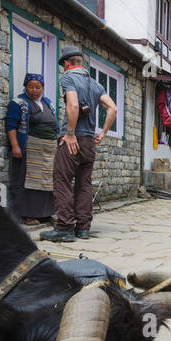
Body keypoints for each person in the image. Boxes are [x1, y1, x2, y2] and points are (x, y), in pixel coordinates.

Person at [41, 48, 117, 243]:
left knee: (62, 181)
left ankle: (65, 227)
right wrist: (103, 133)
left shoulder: (68, 79)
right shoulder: (95, 84)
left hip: (73, 141)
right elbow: (113, 108)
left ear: (66, 64)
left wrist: (70, 134)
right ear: (80, 63)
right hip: (89, 142)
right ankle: (83, 228)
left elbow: (73, 105)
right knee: (84, 184)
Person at [4, 73, 56, 225]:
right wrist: (15, 145)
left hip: (48, 149)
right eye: (31, 87)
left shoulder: (48, 103)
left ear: (42, 88)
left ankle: (45, 214)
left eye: (38, 87)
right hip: (29, 147)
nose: (34, 90)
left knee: (46, 181)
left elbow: (55, 124)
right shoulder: (18, 102)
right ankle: (26, 215)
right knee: (26, 181)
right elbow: (11, 124)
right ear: (25, 87)